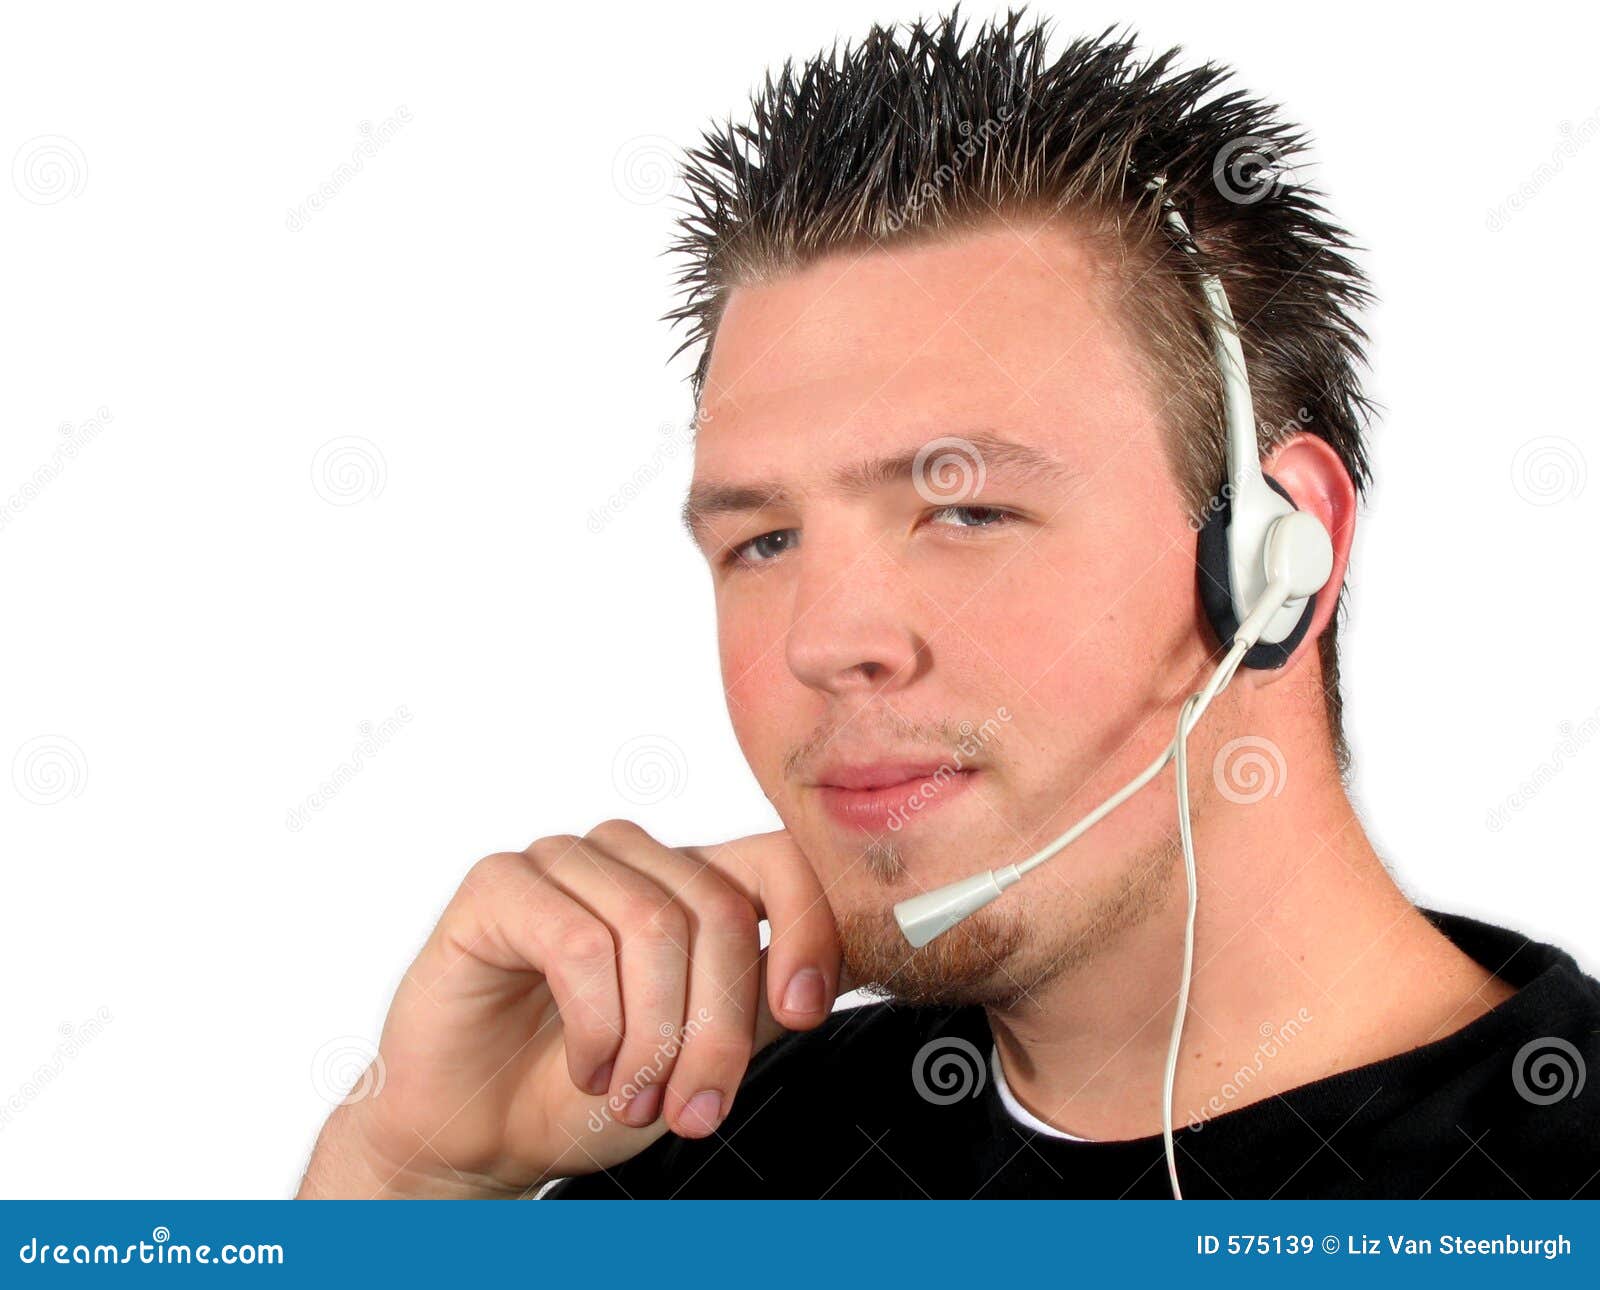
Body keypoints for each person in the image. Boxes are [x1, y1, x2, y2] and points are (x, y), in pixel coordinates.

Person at [296, 10, 1600, 1200]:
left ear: (1275, 554)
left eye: (964, 511)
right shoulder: (705, 1156)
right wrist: (407, 1172)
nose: (827, 642)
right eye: (764, 540)